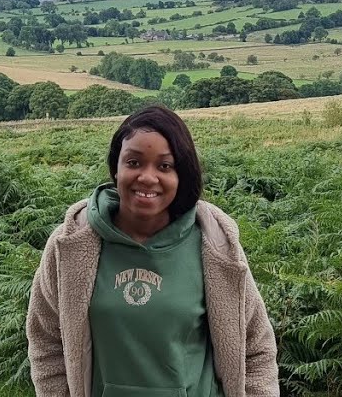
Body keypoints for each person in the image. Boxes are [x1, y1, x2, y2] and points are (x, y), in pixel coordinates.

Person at [27, 105, 279, 397]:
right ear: (116, 167)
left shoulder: (215, 244)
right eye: (133, 162)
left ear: (182, 174)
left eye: (164, 166)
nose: (147, 177)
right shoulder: (71, 244)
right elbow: (46, 339)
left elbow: (256, 346)